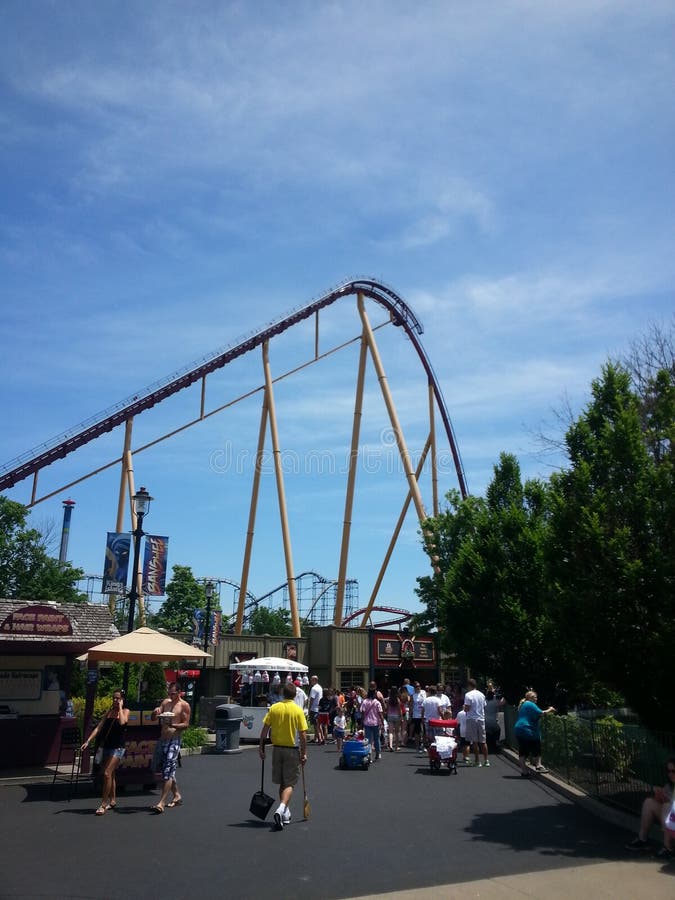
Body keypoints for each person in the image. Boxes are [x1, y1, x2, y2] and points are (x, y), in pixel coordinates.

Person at [258, 681, 308, 830]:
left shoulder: (274, 708)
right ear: (295, 695)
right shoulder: (297, 710)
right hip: (291, 749)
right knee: (290, 783)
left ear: (282, 693)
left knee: (282, 782)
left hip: (277, 749)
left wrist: (261, 747)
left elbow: (264, 730)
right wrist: (304, 753)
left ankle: (285, 813)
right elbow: (303, 734)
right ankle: (281, 809)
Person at [81, 688, 129, 815]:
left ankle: (103, 804)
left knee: (107, 773)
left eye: (118, 698)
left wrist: (120, 708)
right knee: (111, 774)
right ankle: (113, 800)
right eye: (114, 698)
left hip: (118, 748)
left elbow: (122, 722)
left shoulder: (125, 711)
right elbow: (99, 727)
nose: (115, 700)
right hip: (107, 746)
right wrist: (88, 741)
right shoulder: (109, 712)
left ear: (122, 700)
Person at [150, 682, 191, 813]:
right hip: (163, 739)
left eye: (173, 693)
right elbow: (153, 718)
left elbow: (186, 724)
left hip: (174, 740)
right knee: (165, 770)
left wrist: (174, 725)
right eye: (169, 693)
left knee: (168, 770)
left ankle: (161, 802)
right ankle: (177, 795)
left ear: (179, 692)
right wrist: (155, 712)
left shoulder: (184, 705)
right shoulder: (165, 703)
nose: (170, 696)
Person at [626, 758, 675, 857]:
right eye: (668, 771)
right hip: (671, 820)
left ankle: (668, 848)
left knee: (667, 807)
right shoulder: (669, 785)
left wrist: (668, 802)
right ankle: (642, 839)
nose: (670, 774)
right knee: (649, 802)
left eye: (673, 771)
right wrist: (660, 797)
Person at [513, 690, 555, 776]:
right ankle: (538, 765)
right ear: (530, 698)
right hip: (527, 729)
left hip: (519, 729)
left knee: (523, 750)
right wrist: (550, 709)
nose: (536, 699)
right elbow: (542, 713)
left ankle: (524, 771)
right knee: (536, 746)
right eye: (535, 697)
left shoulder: (523, 705)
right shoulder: (530, 704)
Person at [464, 678, 489, 767]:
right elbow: (484, 706)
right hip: (481, 718)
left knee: (474, 741)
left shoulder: (468, 695)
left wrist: (464, 708)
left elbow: (467, 708)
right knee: (483, 741)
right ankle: (486, 760)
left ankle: (477, 761)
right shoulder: (481, 694)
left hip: (472, 718)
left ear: (469, 685)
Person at [361, 686, 384, 760]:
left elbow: (362, 712)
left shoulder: (365, 702)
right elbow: (380, 714)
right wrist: (382, 722)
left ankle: (369, 754)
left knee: (368, 739)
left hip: (367, 722)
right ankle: (378, 753)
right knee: (376, 739)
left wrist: (362, 721)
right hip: (375, 723)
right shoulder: (377, 702)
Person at [307, 675, 323, 743]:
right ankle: (317, 738)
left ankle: (319, 739)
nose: (311, 681)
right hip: (319, 708)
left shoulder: (314, 688)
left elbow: (312, 699)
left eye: (312, 680)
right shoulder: (320, 687)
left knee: (316, 725)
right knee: (319, 724)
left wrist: (309, 708)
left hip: (314, 709)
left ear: (315, 680)